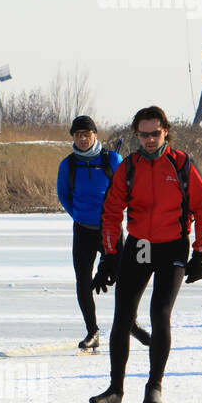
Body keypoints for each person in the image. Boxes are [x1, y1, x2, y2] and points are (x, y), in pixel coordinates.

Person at [86, 106, 202, 403]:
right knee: (122, 318)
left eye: (155, 133)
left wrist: (200, 253)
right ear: (137, 134)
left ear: (165, 131)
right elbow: (111, 212)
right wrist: (109, 256)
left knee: (160, 313)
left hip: (172, 247)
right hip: (140, 246)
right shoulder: (129, 167)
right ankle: (115, 391)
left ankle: (154, 385)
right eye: (143, 135)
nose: (149, 140)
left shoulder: (181, 164)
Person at [56, 114, 141, 352]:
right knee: (83, 281)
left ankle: (129, 321)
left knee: (125, 278)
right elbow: (64, 194)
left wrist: (112, 218)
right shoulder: (68, 164)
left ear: (95, 135)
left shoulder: (112, 159)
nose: (82, 139)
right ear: (73, 137)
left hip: (111, 229)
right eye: (78, 135)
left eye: (87, 134)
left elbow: (127, 190)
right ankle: (92, 331)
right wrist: (80, 216)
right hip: (82, 230)